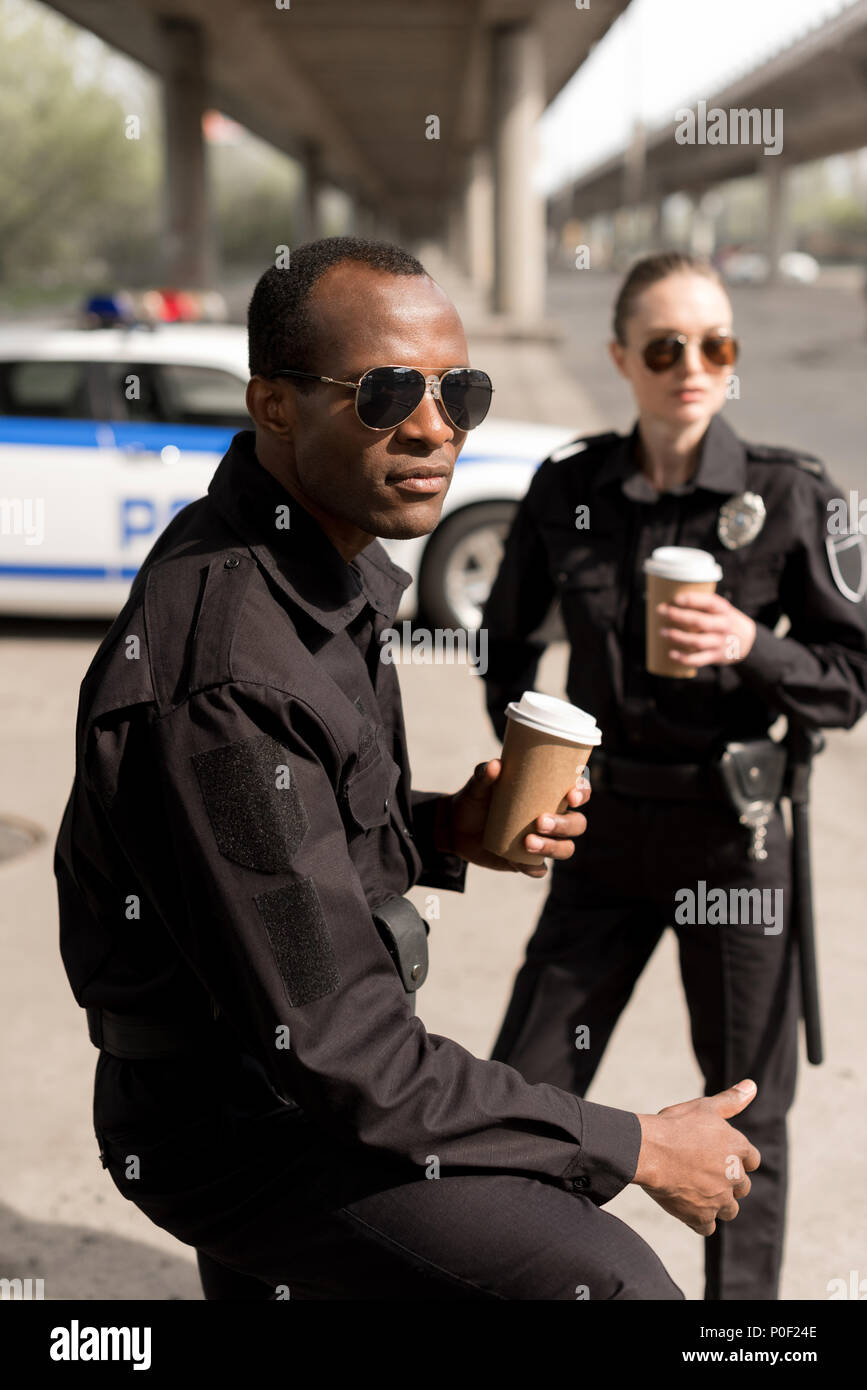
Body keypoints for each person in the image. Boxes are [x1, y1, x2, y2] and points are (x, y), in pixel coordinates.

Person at [55, 238, 760, 1302]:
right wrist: (636, 1146)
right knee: (608, 1280)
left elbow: (271, 848)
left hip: (286, 1080)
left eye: (459, 390)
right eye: (386, 391)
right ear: (276, 404)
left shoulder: (310, 567)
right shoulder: (232, 672)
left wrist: (443, 829)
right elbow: (355, 1058)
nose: (435, 426)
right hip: (245, 1123)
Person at [481, 250, 867, 1302]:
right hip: (601, 832)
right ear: (621, 358)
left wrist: (751, 641)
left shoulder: (792, 493)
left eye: (716, 345)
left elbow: (849, 680)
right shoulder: (568, 487)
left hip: (733, 837)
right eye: (665, 346)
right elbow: (504, 641)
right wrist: (526, 777)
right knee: (526, 1087)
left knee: (746, 1112)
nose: (693, 365)